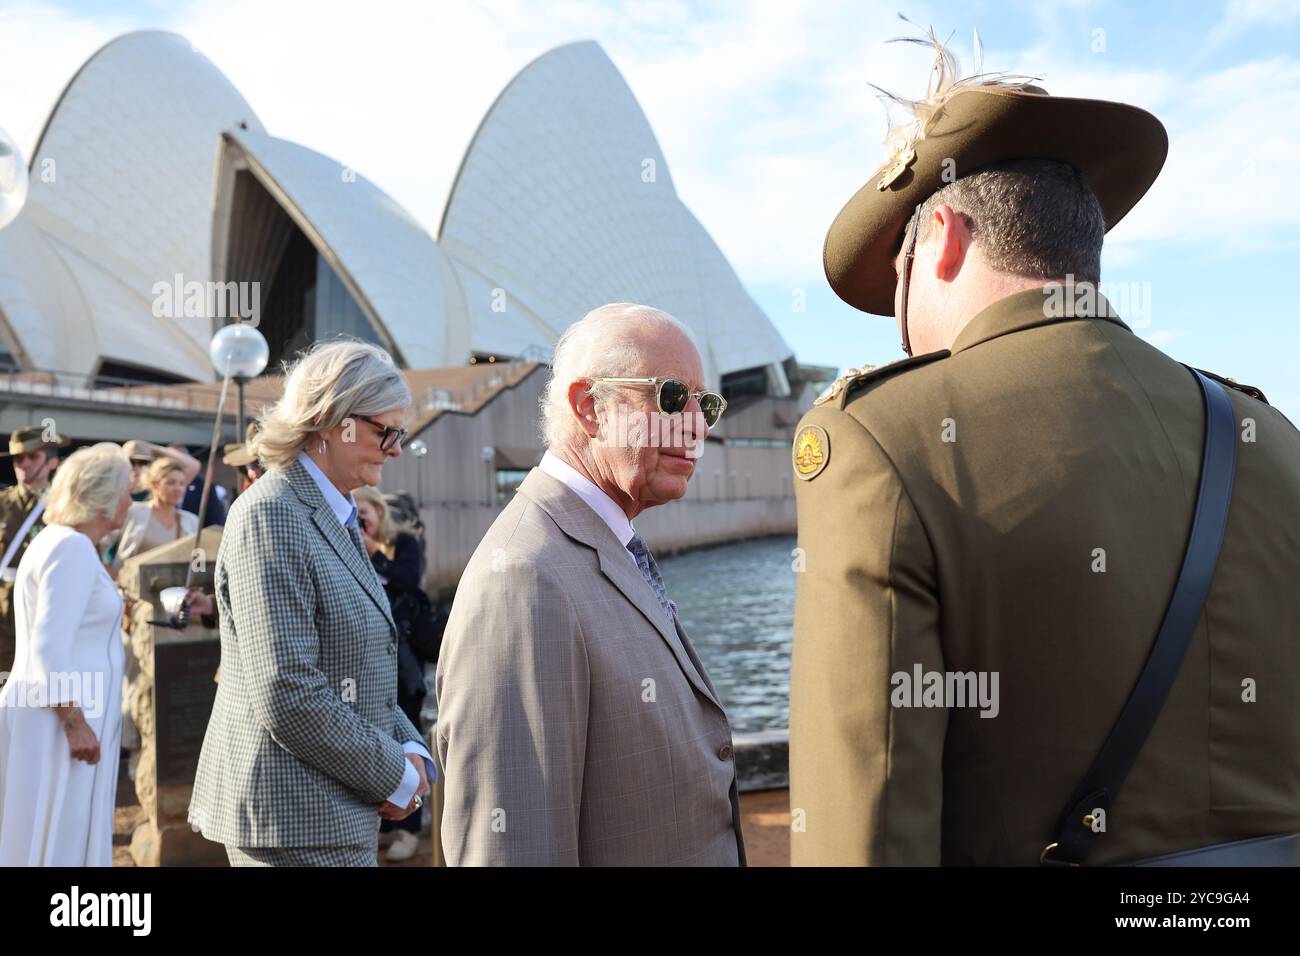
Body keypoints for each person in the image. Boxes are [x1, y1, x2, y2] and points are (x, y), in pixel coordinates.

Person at [790, 30, 1300, 866]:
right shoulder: (1272, 439)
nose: (899, 315)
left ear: (944, 240)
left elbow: (863, 834)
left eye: (899, 276)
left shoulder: (884, 441)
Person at [437, 303, 746, 866]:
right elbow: (511, 848)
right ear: (591, 407)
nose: (698, 426)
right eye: (672, 397)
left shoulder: (600, 546)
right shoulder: (525, 580)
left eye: (707, 405)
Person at [188, 340, 435, 867]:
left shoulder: (334, 513)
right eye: (384, 431)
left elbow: (358, 664)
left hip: (330, 812)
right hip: (294, 822)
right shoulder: (272, 516)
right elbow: (287, 689)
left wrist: (408, 746)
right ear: (329, 420)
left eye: (401, 434)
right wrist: (393, 771)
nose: (395, 448)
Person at [0, 442, 133, 865]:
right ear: (104, 498)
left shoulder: (59, 542)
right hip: (62, 727)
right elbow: (48, 647)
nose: (133, 500)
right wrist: (76, 723)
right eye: (127, 490)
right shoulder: (71, 548)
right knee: (59, 840)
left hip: (55, 721)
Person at [354, 485, 431, 862]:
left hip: (404, 661)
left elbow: (407, 582)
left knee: (409, 739)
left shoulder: (403, 542)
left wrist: (372, 554)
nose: (360, 520)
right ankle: (384, 825)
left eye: (364, 513)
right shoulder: (343, 541)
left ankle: (410, 828)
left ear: (379, 513)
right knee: (378, 739)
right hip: (369, 662)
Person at [0, 425, 70, 676]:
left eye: (33, 457)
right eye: (19, 458)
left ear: (52, 463)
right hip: (4, 606)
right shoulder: (3, 502)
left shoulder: (64, 507)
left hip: (44, 602)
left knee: (39, 676)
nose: (24, 464)